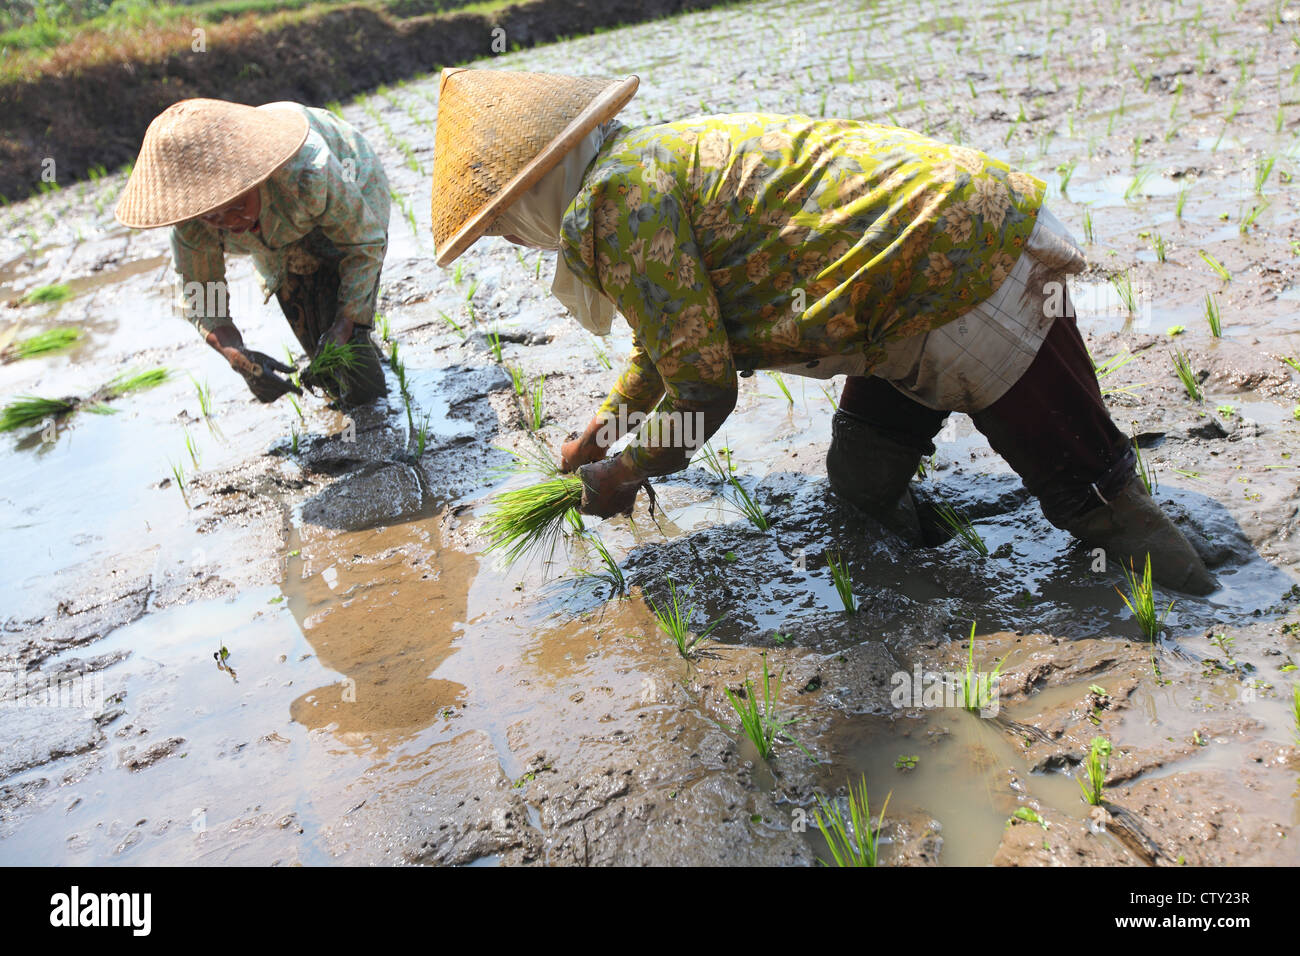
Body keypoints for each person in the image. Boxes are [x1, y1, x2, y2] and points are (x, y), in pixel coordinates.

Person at [429, 69, 1215, 595]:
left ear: (534, 189)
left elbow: (705, 388)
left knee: (1095, 502)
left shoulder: (619, 203)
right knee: (862, 485)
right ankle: (938, 583)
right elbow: (666, 346)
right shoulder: (633, 169)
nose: (513, 240)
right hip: (899, 294)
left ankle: (1212, 622)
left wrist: (626, 471)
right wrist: (597, 435)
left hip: (964, 272)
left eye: (503, 226)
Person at [115, 98, 389, 406]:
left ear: (257, 179)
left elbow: (363, 244)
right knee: (324, 360)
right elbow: (203, 295)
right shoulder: (192, 225)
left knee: (351, 356)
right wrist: (237, 355)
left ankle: (372, 406)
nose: (231, 223)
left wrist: (345, 324)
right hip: (277, 227)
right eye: (213, 217)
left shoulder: (308, 173)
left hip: (351, 186)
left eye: (237, 206)